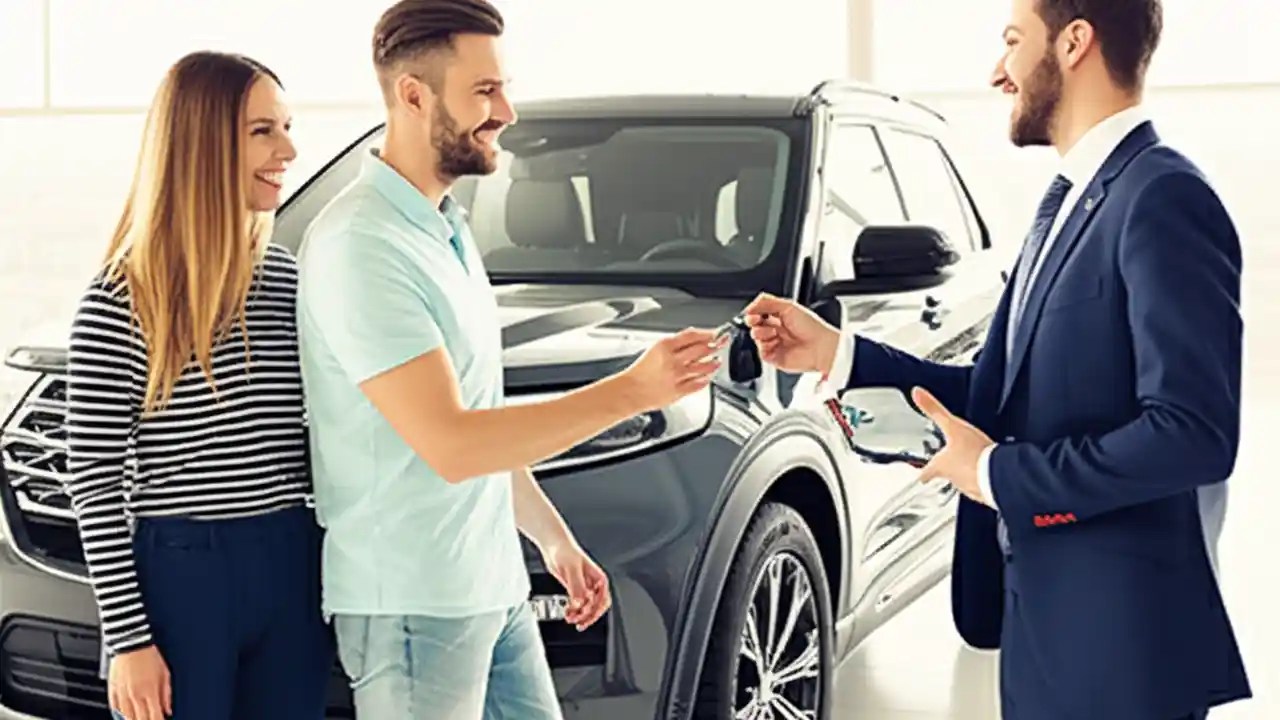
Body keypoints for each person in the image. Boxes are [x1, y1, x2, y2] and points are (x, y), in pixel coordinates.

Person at [742, 0, 1252, 718]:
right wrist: (838, 353)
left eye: (1014, 41)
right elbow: (1002, 394)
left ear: (1075, 43)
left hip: (1123, 652)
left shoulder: (1163, 197)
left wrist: (992, 475)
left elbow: (1194, 435)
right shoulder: (1064, 203)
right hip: (1045, 625)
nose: (997, 72)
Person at [294, 1, 725, 717]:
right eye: (484, 91)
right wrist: (630, 391)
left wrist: (553, 540)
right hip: (413, 607)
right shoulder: (360, 245)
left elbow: (482, 417)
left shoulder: (446, 227)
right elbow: (454, 445)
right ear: (412, 96)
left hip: (492, 589)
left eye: (503, 87)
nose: (508, 112)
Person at [63, 51, 334, 720]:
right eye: (263, 131)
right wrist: (128, 641)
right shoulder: (121, 298)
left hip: (291, 561)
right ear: (202, 141)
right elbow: (93, 476)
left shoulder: (287, 279)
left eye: (288, 126)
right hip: (182, 581)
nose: (290, 150)